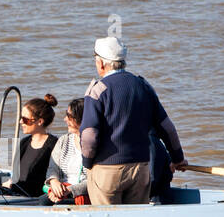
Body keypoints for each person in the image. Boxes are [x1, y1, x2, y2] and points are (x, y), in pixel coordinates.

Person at [80, 36, 187, 205]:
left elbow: (89, 136)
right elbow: (167, 128)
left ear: (101, 63)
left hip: (107, 170)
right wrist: (177, 158)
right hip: (141, 168)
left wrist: (87, 163)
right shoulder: (143, 86)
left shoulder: (97, 90)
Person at [1, 95, 59, 196]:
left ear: (40, 121)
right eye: (20, 118)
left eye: (25, 119)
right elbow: (16, 176)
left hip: (35, 199)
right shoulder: (24, 142)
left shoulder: (55, 145)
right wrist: (9, 183)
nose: (20, 122)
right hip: (15, 195)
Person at [46, 97, 90, 204]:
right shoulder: (63, 140)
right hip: (62, 191)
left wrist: (70, 190)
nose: (65, 119)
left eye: (69, 116)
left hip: (81, 193)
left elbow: (95, 180)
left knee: (57, 204)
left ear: (82, 119)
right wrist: (54, 182)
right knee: (44, 201)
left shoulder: (95, 143)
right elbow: (52, 168)